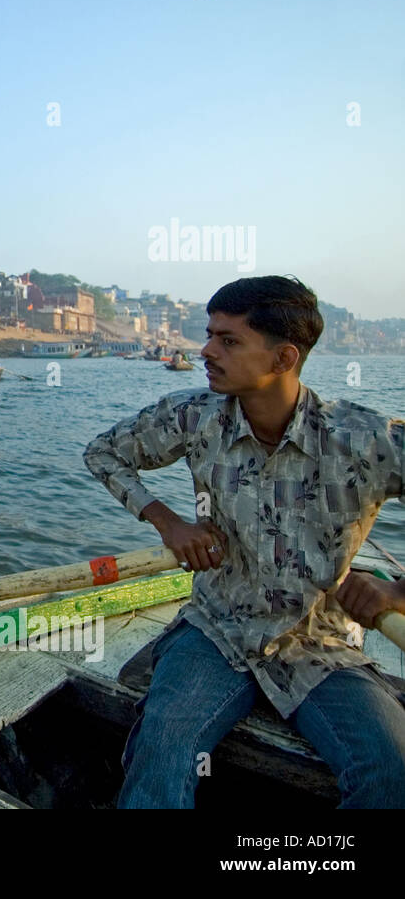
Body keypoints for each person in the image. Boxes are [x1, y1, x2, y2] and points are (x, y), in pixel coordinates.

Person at [83, 276, 405, 808]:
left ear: (283, 358)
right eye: (210, 335)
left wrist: (396, 594)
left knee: (391, 771)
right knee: (161, 749)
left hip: (318, 644)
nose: (206, 351)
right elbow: (103, 453)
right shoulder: (193, 415)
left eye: (228, 341)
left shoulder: (364, 440)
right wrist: (169, 523)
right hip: (217, 627)